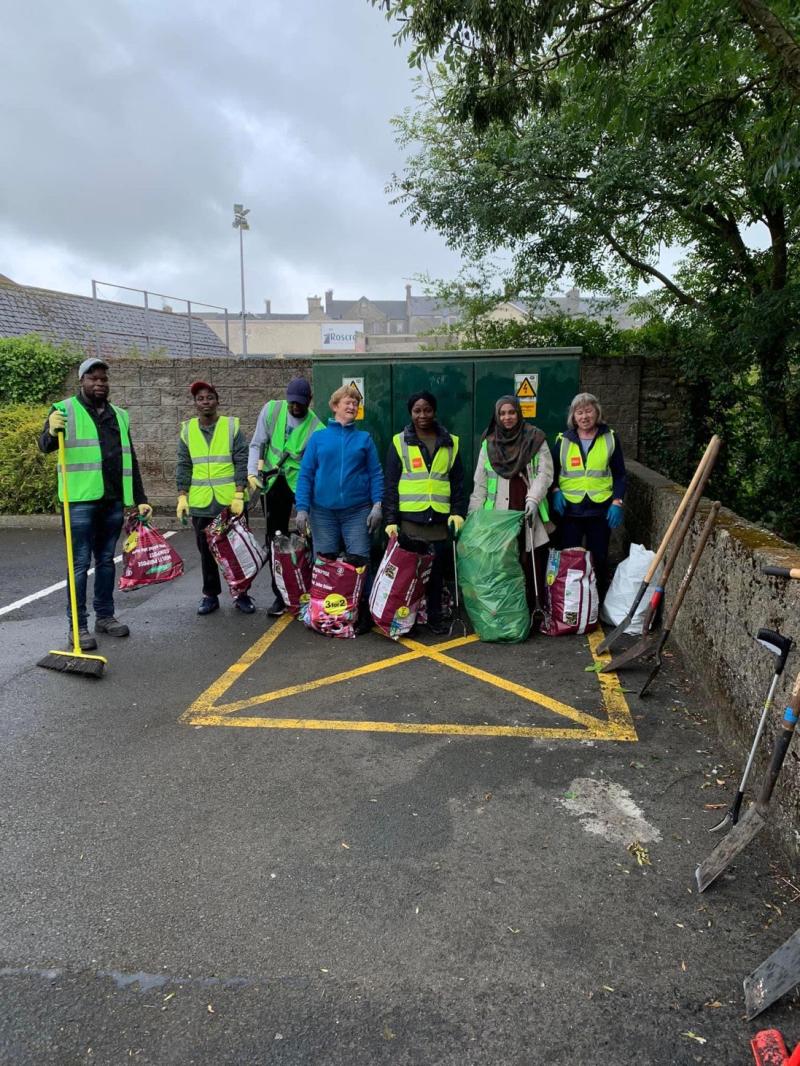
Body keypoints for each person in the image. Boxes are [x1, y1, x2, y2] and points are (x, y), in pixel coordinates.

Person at [38, 356, 152, 651]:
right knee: (78, 564)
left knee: (105, 561)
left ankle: (105, 616)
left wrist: (140, 499)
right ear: (82, 381)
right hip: (78, 502)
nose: (99, 383)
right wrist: (51, 430)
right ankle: (78, 627)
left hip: (112, 500)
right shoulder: (64, 410)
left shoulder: (119, 415)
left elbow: (131, 458)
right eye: (93, 379)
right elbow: (45, 447)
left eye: (103, 379)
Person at [294, 384, 384, 634]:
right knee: (325, 563)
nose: (353, 406)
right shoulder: (319, 438)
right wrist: (302, 508)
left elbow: (376, 474)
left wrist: (377, 505)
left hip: (357, 510)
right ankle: (326, 613)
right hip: (322, 512)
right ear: (335, 406)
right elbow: (306, 475)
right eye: (348, 402)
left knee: (360, 561)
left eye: (356, 403)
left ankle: (362, 612)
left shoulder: (363, 439)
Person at [383, 391, 465, 634]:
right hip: (411, 523)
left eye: (427, 410)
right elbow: (390, 484)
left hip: (440, 523)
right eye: (417, 411)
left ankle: (435, 618)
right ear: (411, 413)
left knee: (436, 577)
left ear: (434, 411)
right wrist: (390, 520)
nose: (422, 415)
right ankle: (405, 620)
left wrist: (458, 512)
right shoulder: (400, 442)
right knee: (409, 577)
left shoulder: (451, 442)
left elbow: (458, 483)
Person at [468, 395, 553, 608]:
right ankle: (507, 613)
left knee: (530, 563)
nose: (507, 417)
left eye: (511, 412)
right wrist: (473, 518)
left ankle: (534, 610)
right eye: (502, 413)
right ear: (497, 416)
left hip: (526, 511)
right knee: (502, 566)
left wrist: (533, 499)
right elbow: (480, 483)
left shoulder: (535, 438)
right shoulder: (489, 443)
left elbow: (545, 473)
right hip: (498, 517)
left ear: (519, 413)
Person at [247, 378, 323, 616]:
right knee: (275, 537)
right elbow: (257, 443)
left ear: (309, 401)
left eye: (300, 403)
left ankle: (307, 589)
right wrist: (252, 473)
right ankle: (279, 594)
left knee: (307, 536)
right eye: (292, 402)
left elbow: (314, 465)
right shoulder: (272, 410)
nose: (295, 407)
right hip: (272, 482)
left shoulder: (316, 427)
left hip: (300, 483)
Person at [176, 380, 253, 616]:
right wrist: (182, 496)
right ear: (195, 404)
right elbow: (184, 464)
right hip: (201, 504)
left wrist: (239, 492)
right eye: (200, 398)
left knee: (236, 550)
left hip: (229, 502)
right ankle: (210, 595)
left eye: (209, 397)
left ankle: (241, 594)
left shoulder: (231, 427)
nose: (205, 402)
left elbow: (242, 459)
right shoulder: (188, 430)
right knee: (206, 552)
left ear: (217, 401)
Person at [550, 392, 626, 599]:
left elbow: (619, 474)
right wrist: (555, 491)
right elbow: (551, 472)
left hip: (600, 510)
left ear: (597, 412)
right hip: (570, 511)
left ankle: (596, 600)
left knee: (599, 559)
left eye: (588, 411)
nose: (584, 417)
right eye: (579, 412)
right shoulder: (563, 440)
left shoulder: (610, 438)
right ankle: (568, 601)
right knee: (569, 558)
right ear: (573, 417)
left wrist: (617, 501)